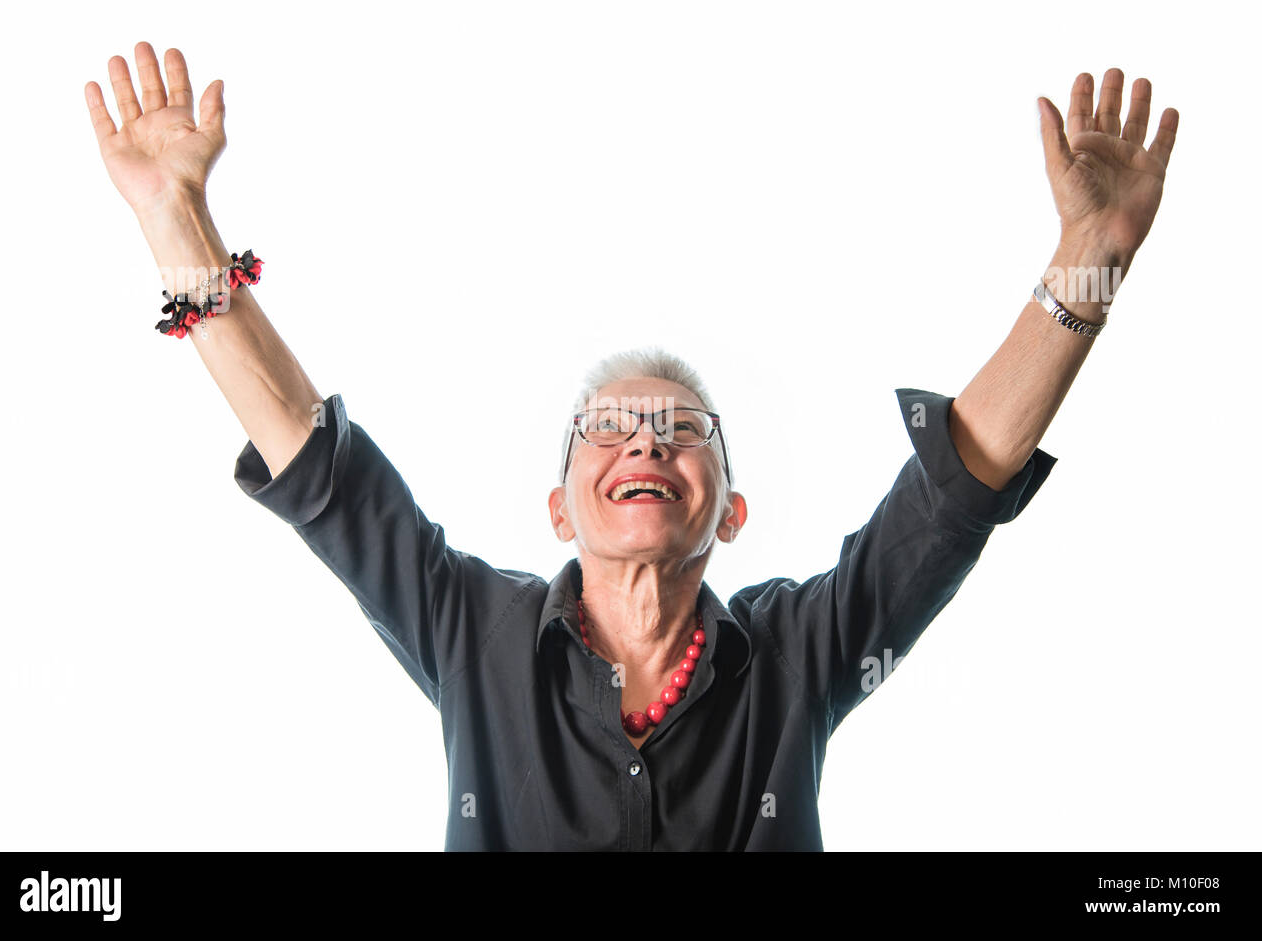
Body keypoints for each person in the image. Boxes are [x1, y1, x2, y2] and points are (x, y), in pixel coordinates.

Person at [86, 43, 1179, 850]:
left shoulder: (799, 653)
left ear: (730, 509)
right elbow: (316, 465)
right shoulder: (471, 629)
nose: (642, 440)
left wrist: (1093, 253)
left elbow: (955, 487)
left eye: (680, 430)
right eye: (606, 428)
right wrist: (176, 223)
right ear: (560, 509)